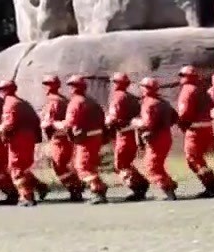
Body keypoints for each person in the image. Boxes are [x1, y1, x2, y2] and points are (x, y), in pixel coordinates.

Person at [58, 75, 108, 204]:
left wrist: (53, 124)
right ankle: (99, 188)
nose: (70, 88)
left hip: (85, 139)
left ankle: (98, 191)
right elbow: (102, 118)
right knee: (88, 165)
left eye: (72, 86)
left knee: (82, 166)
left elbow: (69, 123)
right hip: (96, 137)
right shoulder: (91, 101)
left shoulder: (75, 102)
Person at [0, 79, 42, 206]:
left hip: (18, 139)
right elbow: (36, 120)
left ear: (4, 91)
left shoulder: (10, 103)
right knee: (23, 167)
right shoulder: (23, 103)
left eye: (1, 90)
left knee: (16, 168)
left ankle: (26, 196)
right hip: (28, 138)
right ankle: (34, 191)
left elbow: (9, 123)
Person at [175, 66, 214, 198]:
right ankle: (212, 183)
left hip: (195, 129)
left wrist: (181, 123)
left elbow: (184, 113)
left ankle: (211, 185)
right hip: (207, 127)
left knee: (193, 159)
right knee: (198, 158)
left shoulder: (187, 90)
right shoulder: (202, 88)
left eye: (182, 76)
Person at [104, 72, 150, 201]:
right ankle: (141, 184)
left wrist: (105, 123)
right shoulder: (132, 98)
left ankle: (138, 187)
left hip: (124, 134)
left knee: (121, 164)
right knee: (127, 162)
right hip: (133, 133)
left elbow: (113, 118)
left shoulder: (118, 98)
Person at [131, 78, 178, 201]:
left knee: (151, 167)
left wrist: (136, 122)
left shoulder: (149, 103)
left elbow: (146, 123)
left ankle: (168, 190)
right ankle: (170, 185)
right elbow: (175, 117)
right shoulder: (163, 102)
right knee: (157, 165)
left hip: (156, 139)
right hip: (166, 136)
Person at [39, 76, 82, 201]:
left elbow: (50, 121)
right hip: (61, 138)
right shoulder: (58, 99)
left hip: (60, 138)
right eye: (46, 84)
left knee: (60, 165)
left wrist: (46, 124)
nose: (47, 87)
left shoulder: (55, 101)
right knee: (60, 165)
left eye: (49, 84)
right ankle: (75, 187)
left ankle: (75, 188)